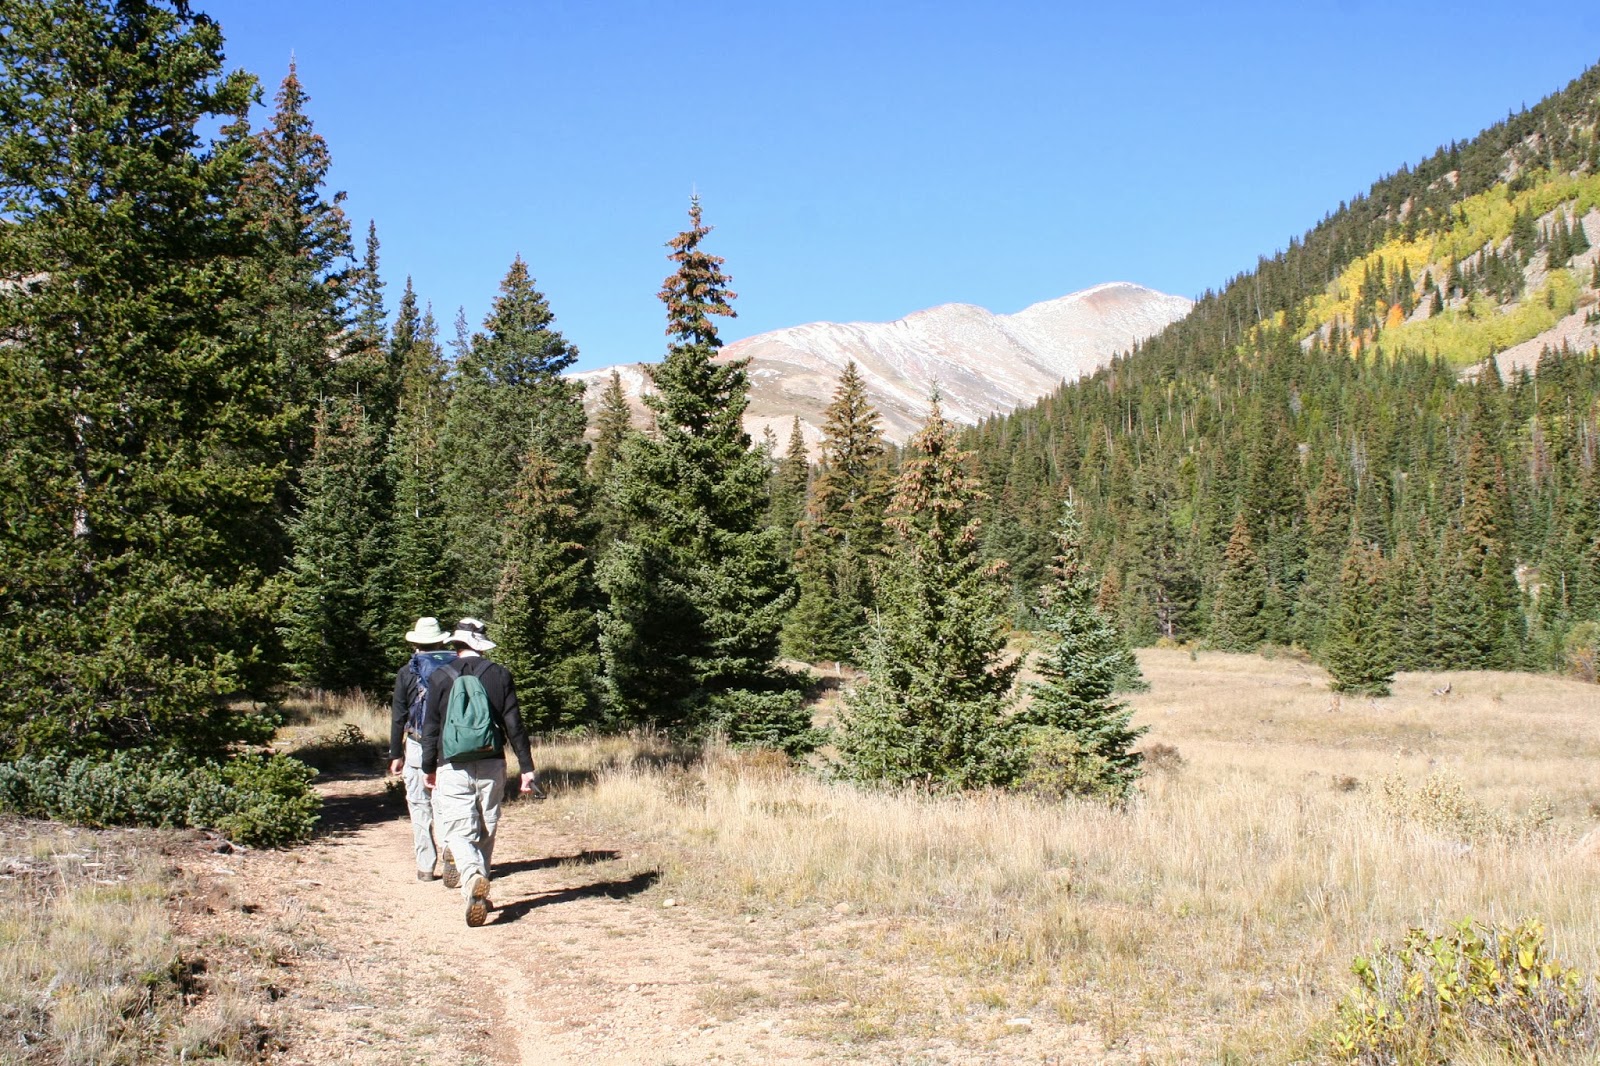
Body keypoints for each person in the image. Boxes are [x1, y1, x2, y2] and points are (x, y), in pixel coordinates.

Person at [421, 617, 536, 927]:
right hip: (492, 761)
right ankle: (480, 889)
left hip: (451, 763)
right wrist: (527, 768)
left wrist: (428, 767)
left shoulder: (440, 677)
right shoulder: (499, 675)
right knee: (487, 825)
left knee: (458, 830)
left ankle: (472, 878)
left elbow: (430, 727)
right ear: (480, 644)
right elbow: (514, 725)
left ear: (456, 644)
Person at [387, 617, 457, 882]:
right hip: (447, 746)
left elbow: (399, 715)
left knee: (419, 805)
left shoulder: (408, 672)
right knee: (444, 803)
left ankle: (426, 866)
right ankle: (450, 846)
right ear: (441, 641)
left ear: (415, 642)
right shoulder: (455, 668)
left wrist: (396, 753)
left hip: (417, 745)